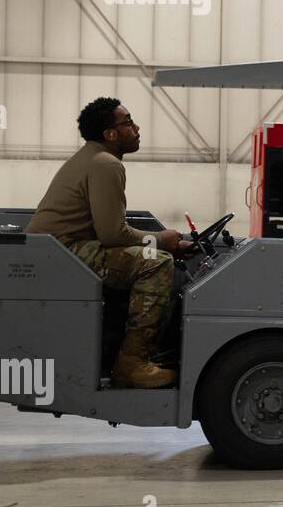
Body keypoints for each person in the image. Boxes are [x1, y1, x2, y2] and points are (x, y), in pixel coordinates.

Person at [26, 98, 194, 389]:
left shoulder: (93, 158)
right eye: (128, 122)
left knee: (151, 254)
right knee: (156, 263)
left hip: (55, 250)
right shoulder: (106, 164)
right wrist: (162, 241)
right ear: (110, 134)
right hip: (62, 252)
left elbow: (110, 231)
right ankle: (132, 363)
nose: (137, 128)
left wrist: (161, 241)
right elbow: (112, 234)